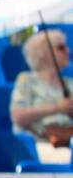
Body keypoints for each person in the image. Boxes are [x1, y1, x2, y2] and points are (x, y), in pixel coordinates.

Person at [10, 30, 73, 164]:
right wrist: (57, 107)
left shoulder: (69, 83)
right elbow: (18, 116)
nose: (68, 50)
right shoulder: (26, 80)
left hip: (68, 141)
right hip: (37, 144)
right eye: (61, 47)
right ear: (44, 52)